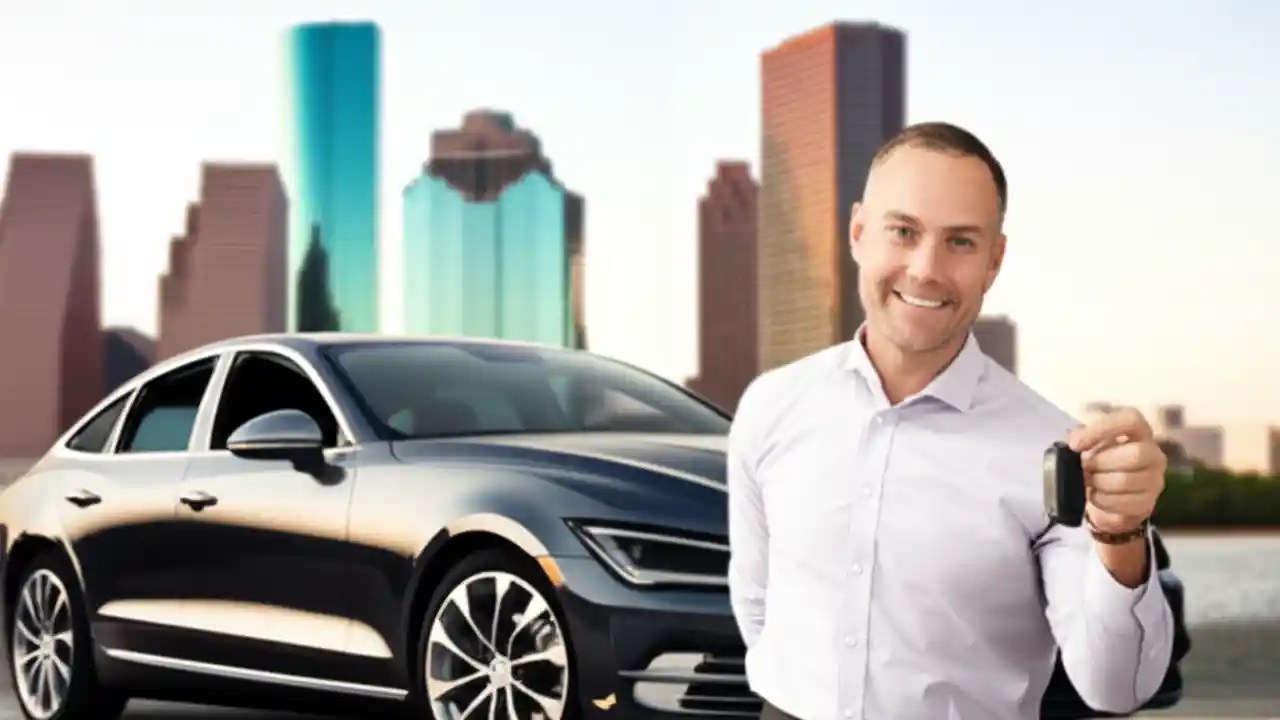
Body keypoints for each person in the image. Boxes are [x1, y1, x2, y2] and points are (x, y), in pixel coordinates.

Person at [726, 122, 1175, 720]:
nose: (925, 268)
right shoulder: (770, 406)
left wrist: (1120, 535)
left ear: (994, 260)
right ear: (858, 233)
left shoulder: (1055, 451)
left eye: (960, 242)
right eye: (903, 232)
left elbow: (1115, 689)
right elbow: (757, 607)